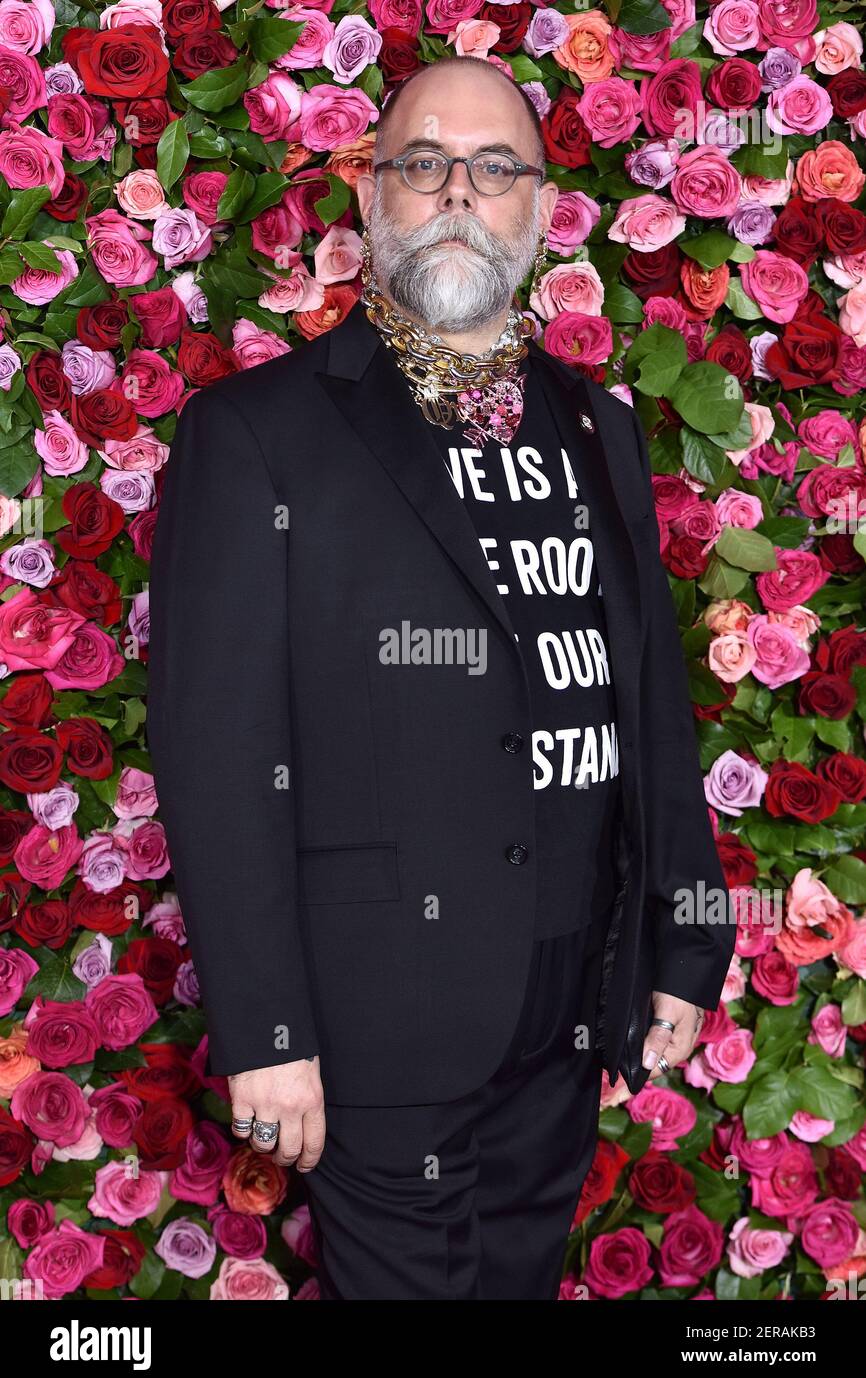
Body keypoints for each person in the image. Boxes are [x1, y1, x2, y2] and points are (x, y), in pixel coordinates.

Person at [145, 55, 736, 1300]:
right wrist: (266, 1035)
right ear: (372, 199)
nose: (457, 193)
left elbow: (647, 698)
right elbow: (217, 751)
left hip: (572, 985)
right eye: (423, 164)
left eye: (492, 168)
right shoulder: (258, 431)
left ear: (539, 205)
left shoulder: (596, 424)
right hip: (381, 1012)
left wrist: (684, 938)